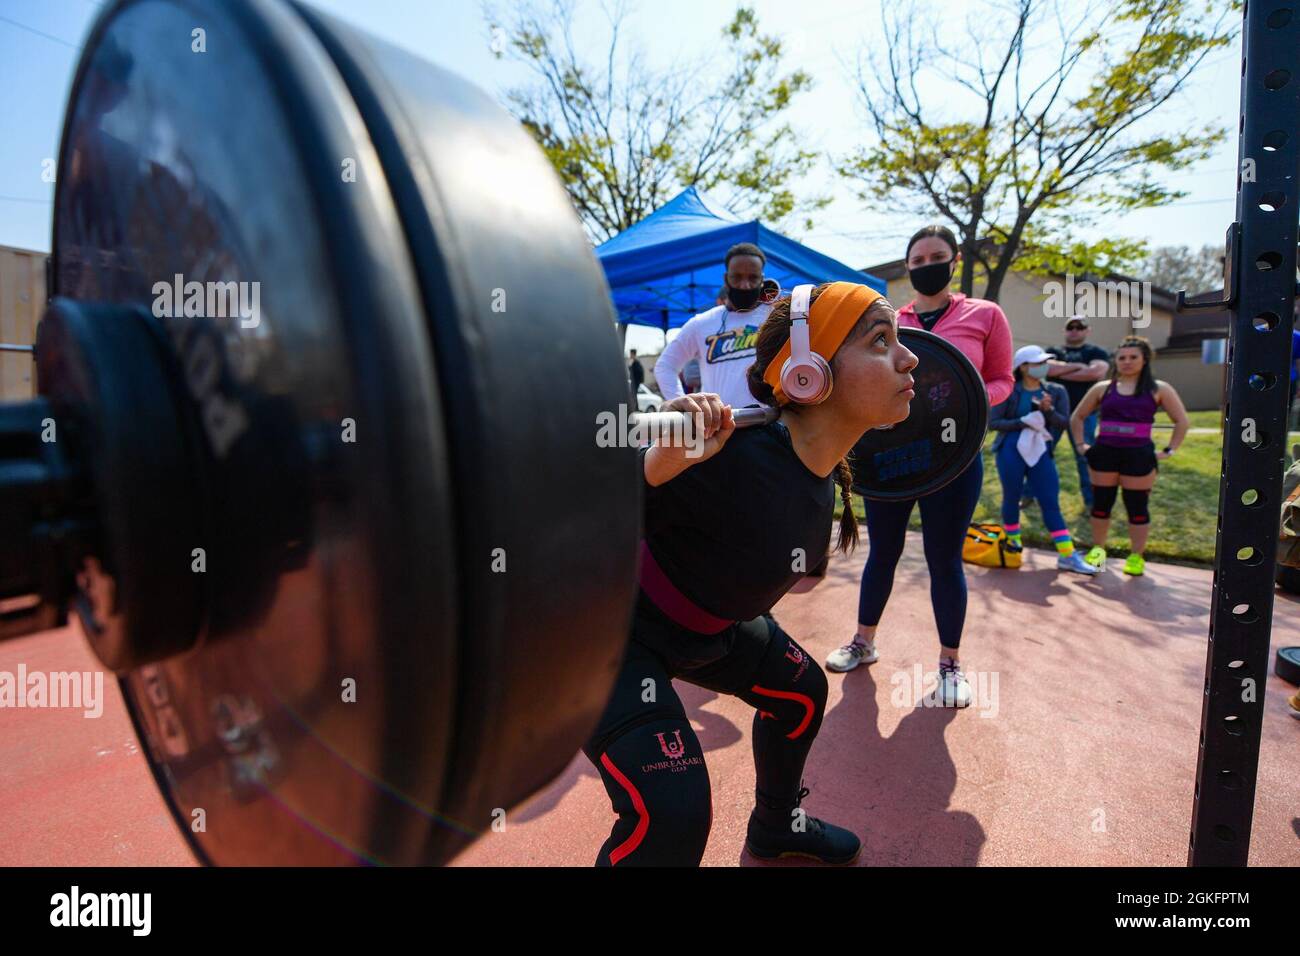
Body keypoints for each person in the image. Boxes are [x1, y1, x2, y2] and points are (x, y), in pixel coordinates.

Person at [585, 281, 917, 865]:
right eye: (881, 340)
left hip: (712, 627)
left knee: (803, 694)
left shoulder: (825, 475)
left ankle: (776, 827)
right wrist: (659, 463)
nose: (909, 355)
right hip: (603, 635)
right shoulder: (729, 451)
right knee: (675, 815)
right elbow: (592, 519)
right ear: (810, 372)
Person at [825, 225, 1013, 710]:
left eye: (938, 255)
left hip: (954, 461)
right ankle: (863, 642)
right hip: (892, 460)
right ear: (908, 265)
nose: (927, 263)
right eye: (918, 257)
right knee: (881, 553)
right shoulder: (887, 319)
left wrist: (971, 406)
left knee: (944, 559)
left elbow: (1002, 380)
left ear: (953, 261)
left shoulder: (985, 315)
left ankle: (950, 663)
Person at [1069, 336, 1191, 575]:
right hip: (1104, 454)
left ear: (1144, 360)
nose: (1126, 362)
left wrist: (1169, 450)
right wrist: (1082, 445)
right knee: (1101, 506)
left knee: (1137, 507)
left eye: (1133, 357)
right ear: (1115, 360)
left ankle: (1136, 556)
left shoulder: (1159, 389)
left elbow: (1182, 421)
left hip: (1139, 457)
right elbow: (1077, 417)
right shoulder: (1102, 388)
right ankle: (1098, 551)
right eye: (1121, 357)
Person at [990, 346, 1099, 575]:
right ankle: (1013, 545)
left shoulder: (1057, 391)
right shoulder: (1010, 391)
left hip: (1041, 450)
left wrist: (1047, 412)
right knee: (1012, 497)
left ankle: (1067, 555)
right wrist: (1024, 421)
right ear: (1023, 367)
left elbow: (1063, 422)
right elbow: (993, 422)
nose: (1043, 367)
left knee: (1050, 500)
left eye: (1045, 362)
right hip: (1010, 449)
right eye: (1037, 363)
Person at [653, 243, 773, 409]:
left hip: (769, 426)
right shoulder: (702, 323)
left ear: (762, 279)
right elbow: (665, 366)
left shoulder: (774, 317)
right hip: (719, 429)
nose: (745, 285)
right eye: (737, 277)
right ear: (726, 279)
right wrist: (685, 405)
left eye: (752, 278)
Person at [1045, 317, 1110, 509]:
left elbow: (1096, 373)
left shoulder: (1096, 351)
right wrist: (1080, 367)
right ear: (1065, 330)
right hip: (1053, 412)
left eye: (1079, 327)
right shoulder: (1053, 351)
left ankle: (1091, 501)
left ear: (1087, 330)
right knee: (1042, 454)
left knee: (1085, 456)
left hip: (1085, 414)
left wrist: (1061, 371)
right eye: (1070, 327)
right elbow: (1045, 368)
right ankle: (1029, 494)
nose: (1074, 330)